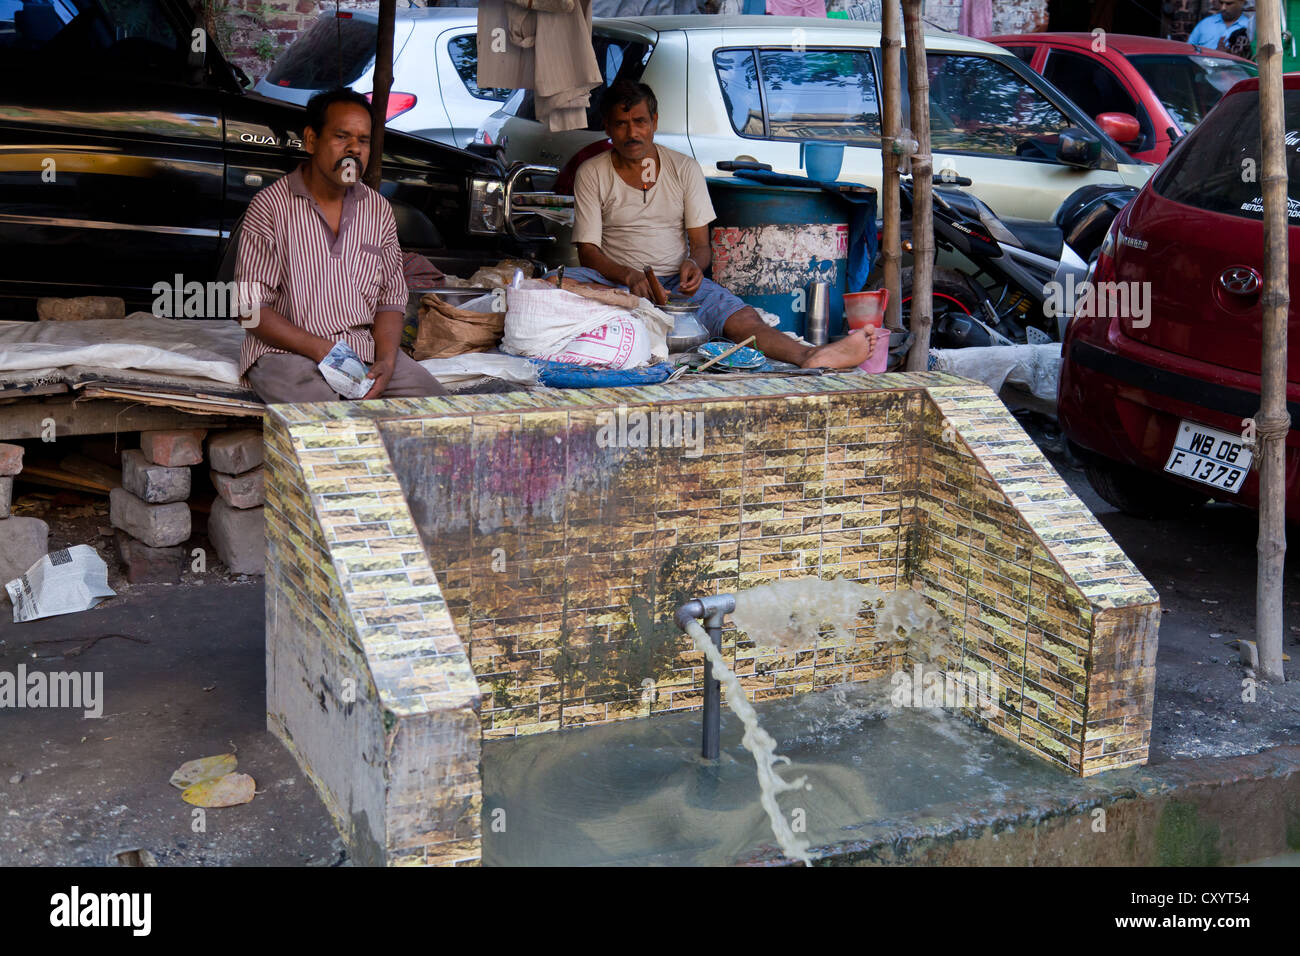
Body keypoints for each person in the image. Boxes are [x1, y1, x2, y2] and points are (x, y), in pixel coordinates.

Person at [563, 79, 877, 370]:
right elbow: (587, 252)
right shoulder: (592, 172)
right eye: (621, 124)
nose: (632, 133)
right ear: (607, 127)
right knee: (549, 285)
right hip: (615, 282)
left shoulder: (684, 168)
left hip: (674, 286)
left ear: (654, 123)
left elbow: (701, 246)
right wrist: (629, 276)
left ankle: (809, 354)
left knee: (744, 319)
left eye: (640, 122)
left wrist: (694, 266)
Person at [234, 87, 445, 404]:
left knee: (439, 409)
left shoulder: (377, 210)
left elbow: (390, 299)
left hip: (361, 353)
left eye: (363, 140)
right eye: (341, 137)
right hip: (286, 355)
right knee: (329, 424)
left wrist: (387, 360)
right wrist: (323, 350)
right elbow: (249, 308)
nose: (354, 150)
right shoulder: (270, 206)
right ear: (311, 140)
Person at [1188, 0, 1254, 55]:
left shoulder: (1249, 27)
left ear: (1242, 3)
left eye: (1229, 4)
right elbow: (1188, 50)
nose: (1223, 8)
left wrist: (1229, 56)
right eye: (1221, 3)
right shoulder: (1205, 23)